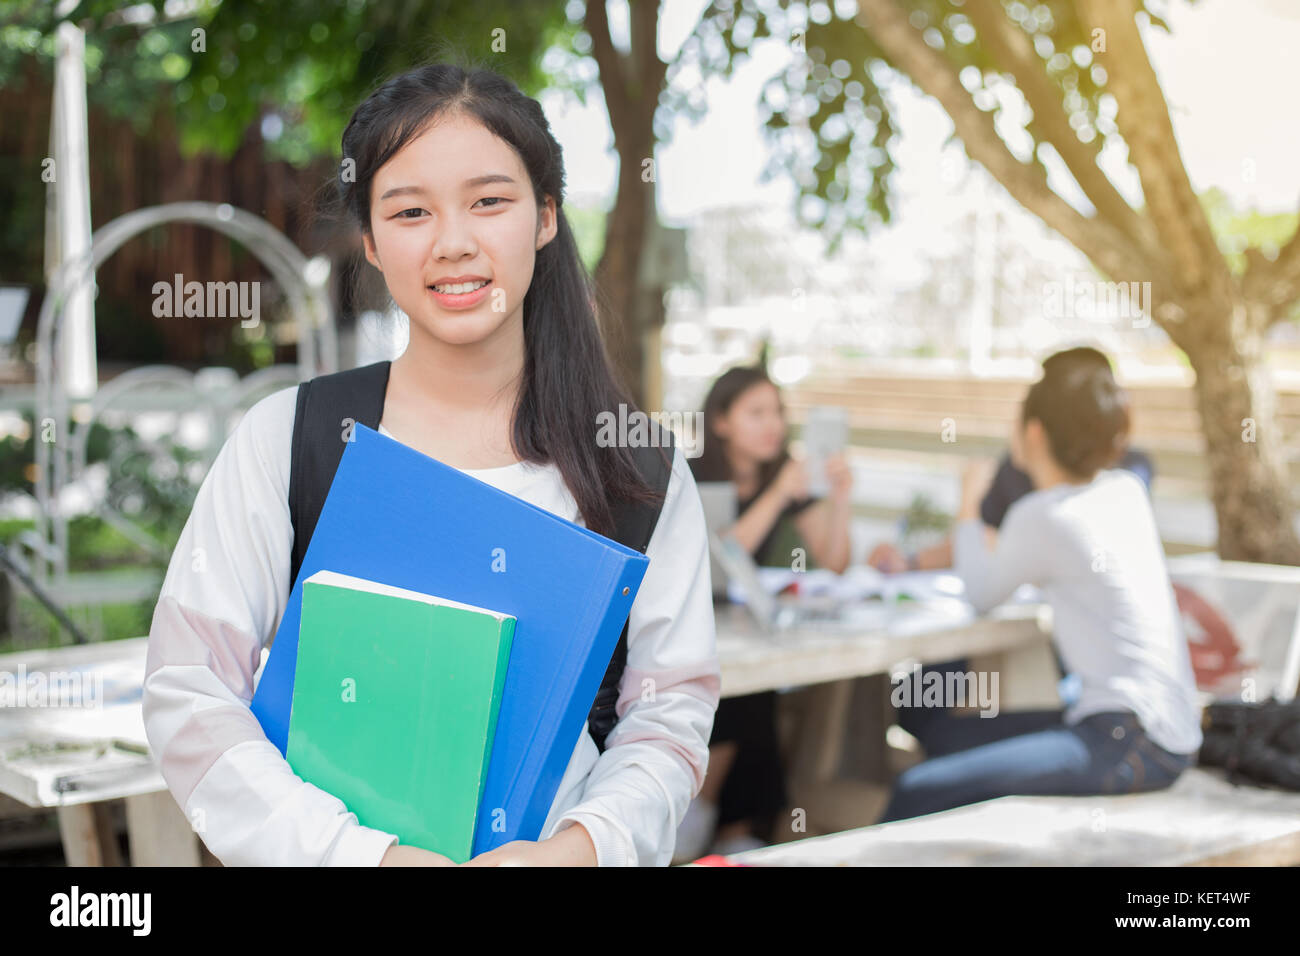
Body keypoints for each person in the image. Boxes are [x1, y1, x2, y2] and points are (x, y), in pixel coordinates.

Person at [141, 61, 720, 867]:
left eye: (490, 201)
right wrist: (362, 858)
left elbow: (669, 714)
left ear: (547, 216)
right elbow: (189, 693)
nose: (454, 243)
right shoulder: (291, 439)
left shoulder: (637, 469)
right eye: (411, 211)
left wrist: (583, 849)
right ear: (371, 243)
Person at [877, 356, 1202, 822]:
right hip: (1159, 734)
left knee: (915, 789)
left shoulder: (1042, 514)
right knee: (940, 732)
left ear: (1033, 433)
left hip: (1124, 743)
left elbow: (981, 594)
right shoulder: (1125, 490)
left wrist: (968, 499)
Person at [673, 362, 853, 860]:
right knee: (738, 697)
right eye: (756, 413)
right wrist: (778, 495)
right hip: (691, 626)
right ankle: (718, 828)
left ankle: (733, 832)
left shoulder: (785, 475)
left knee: (759, 696)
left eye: (777, 412)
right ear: (722, 421)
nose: (773, 424)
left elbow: (835, 563)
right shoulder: (690, 475)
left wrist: (840, 500)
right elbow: (721, 559)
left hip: (745, 629)